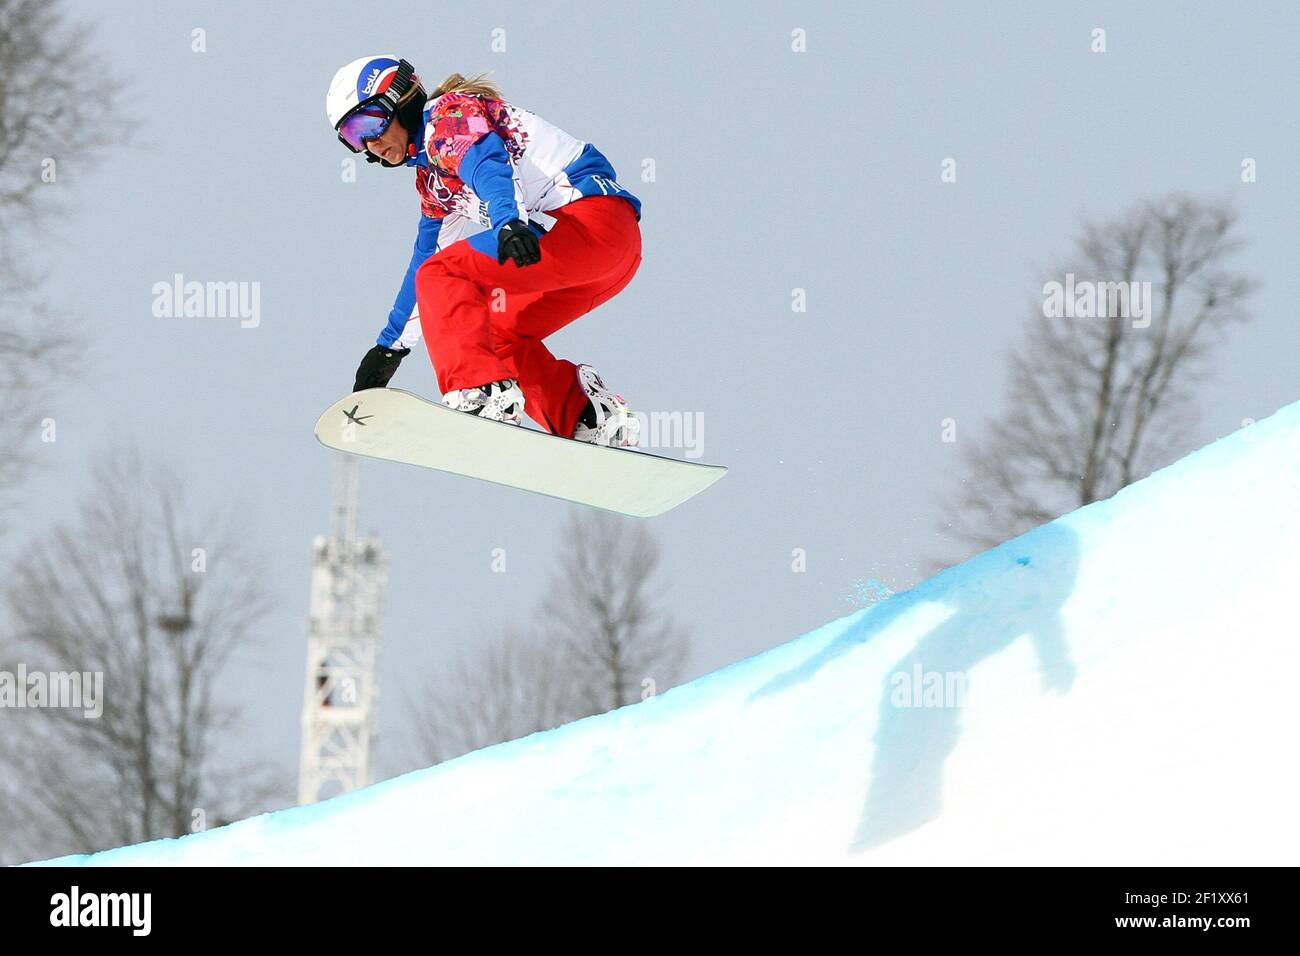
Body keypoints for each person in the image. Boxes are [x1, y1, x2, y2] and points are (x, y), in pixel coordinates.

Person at [325, 55, 644, 446]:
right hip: (602, 258)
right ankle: (583, 415)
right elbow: (424, 262)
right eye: (353, 138)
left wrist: (508, 221)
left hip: (594, 225)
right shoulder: (432, 182)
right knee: (494, 331)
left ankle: (477, 392)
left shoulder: (449, 117)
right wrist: (390, 349)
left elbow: (488, 165)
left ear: (400, 100)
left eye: (368, 123)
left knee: (445, 275)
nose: (369, 144)